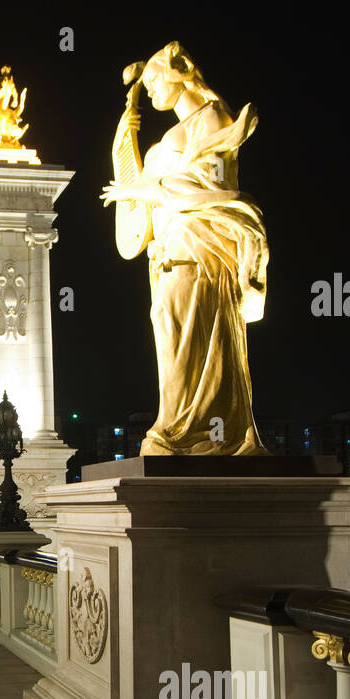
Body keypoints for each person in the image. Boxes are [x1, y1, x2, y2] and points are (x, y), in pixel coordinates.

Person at [100, 41, 268, 455]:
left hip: (203, 244)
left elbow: (214, 188)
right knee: (169, 322)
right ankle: (180, 423)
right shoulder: (175, 132)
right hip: (171, 246)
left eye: (155, 82)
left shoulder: (212, 118)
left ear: (177, 74)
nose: (152, 91)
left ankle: (191, 430)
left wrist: (143, 188)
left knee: (186, 324)